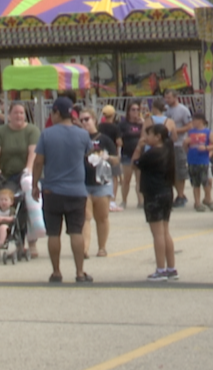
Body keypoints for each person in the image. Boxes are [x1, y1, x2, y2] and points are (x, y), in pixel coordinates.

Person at [31, 96, 92, 283]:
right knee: (76, 231)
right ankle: (80, 272)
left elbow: (39, 161)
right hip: (76, 190)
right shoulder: (82, 135)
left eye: (53, 112)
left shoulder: (47, 134)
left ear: (57, 113)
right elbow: (88, 155)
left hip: (52, 190)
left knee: (53, 233)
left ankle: (56, 271)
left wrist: (35, 184)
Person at [0, 102, 41, 257]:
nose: (19, 116)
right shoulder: (1, 132)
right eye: (16, 113)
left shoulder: (32, 130)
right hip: (7, 175)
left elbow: (33, 152)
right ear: (9, 115)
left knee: (27, 207)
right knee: (2, 203)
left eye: (22, 113)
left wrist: (28, 170)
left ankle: (30, 242)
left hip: (27, 176)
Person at [136, 124, 178, 281]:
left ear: (158, 137)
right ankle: (171, 268)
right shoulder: (168, 150)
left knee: (158, 233)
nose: (146, 138)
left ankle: (160, 269)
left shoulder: (153, 153)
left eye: (149, 135)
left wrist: (139, 148)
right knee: (165, 231)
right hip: (166, 191)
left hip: (154, 193)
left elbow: (136, 163)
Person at [79, 109, 117, 257]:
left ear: (94, 120)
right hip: (83, 182)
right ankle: (84, 248)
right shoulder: (78, 138)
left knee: (102, 217)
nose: (84, 123)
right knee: (85, 217)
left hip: (101, 182)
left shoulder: (104, 139)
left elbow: (116, 159)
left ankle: (102, 247)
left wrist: (105, 157)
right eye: (81, 120)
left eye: (86, 119)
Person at [163, 91, 191, 208]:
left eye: (169, 98)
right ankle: (175, 194)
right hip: (166, 145)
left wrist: (174, 130)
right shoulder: (164, 110)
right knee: (169, 172)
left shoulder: (183, 110)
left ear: (175, 97)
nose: (167, 100)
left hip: (178, 144)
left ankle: (180, 195)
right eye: (165, 98)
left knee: (179, 171)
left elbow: (189, 125)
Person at [184, 114, 213, 213]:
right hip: (192, 160)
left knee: (205, 181)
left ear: (201, 121)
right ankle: (197, 202)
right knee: (195, 183)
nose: (193, 122)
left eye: (195, 120)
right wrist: (186, 144)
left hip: (203, 161)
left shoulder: (208, 132)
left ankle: (208, 198)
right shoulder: (190, 132)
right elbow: (185, 147)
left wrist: (206, 148)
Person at [118, 103, 144, 209]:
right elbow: (119, 138)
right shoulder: (123, 124)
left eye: (137, 110)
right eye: (133, 110)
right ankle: (124, 200)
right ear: (128, 111)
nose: (135, 112)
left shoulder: (142, 124)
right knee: (127, 179)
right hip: (127, 154)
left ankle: (141, 201)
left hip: (140, 154)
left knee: (139, 179)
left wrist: (143, 123)